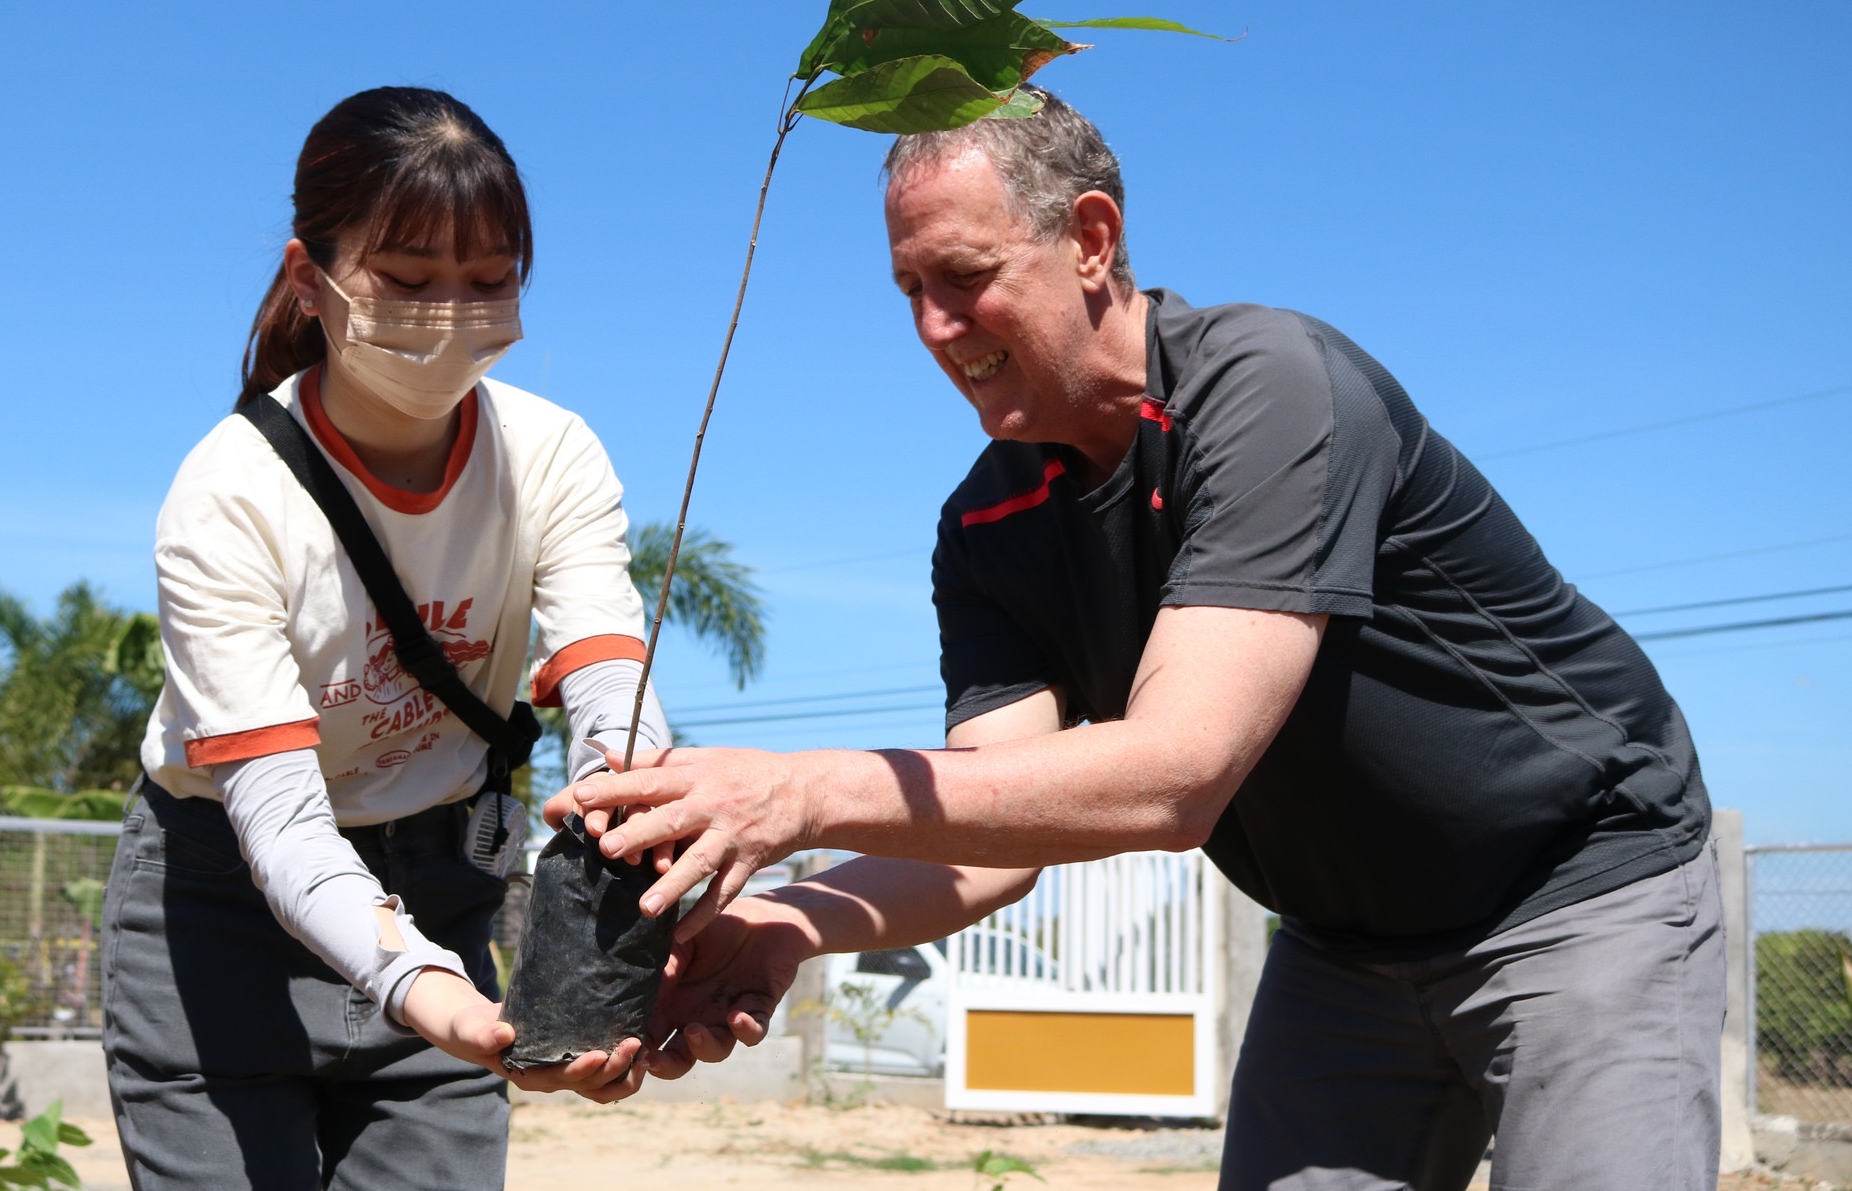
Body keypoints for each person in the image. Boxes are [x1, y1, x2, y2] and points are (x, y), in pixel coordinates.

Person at [557, 92, 1725, 1190]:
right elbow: (989, 832)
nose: (931, 327)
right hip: (1346, 945)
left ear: (1090, 239)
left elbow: (1176, 776)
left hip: (1578, 888)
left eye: (963, 278)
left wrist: (794, 795)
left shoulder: (1269, 391)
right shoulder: (983, 526)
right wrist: (789, 922)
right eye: (907, 287)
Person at [103, 86, 669, 1191]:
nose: (450, 316)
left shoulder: (552, 456)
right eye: (408, 283)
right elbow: (279, 822)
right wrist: (425, 989)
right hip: (222, 907)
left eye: (488, 280)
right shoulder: (228, 494)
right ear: (309, 280)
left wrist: (630, 867)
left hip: (444, 880)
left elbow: (610, 685)